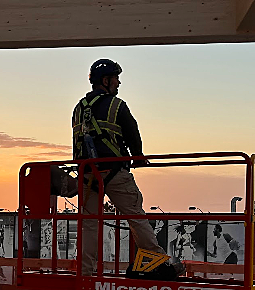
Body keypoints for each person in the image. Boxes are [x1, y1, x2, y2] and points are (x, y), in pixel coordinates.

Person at [73, 59, 183, 278]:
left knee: (89, 225)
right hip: (114, 173)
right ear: (105, 80)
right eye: (115, 78)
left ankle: (85, 273)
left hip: (87, 175)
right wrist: (138, 158)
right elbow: (132, 133)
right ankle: (154, 260)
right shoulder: (117, 105)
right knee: (135, 216)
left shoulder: (79, 108)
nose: (118, 83)